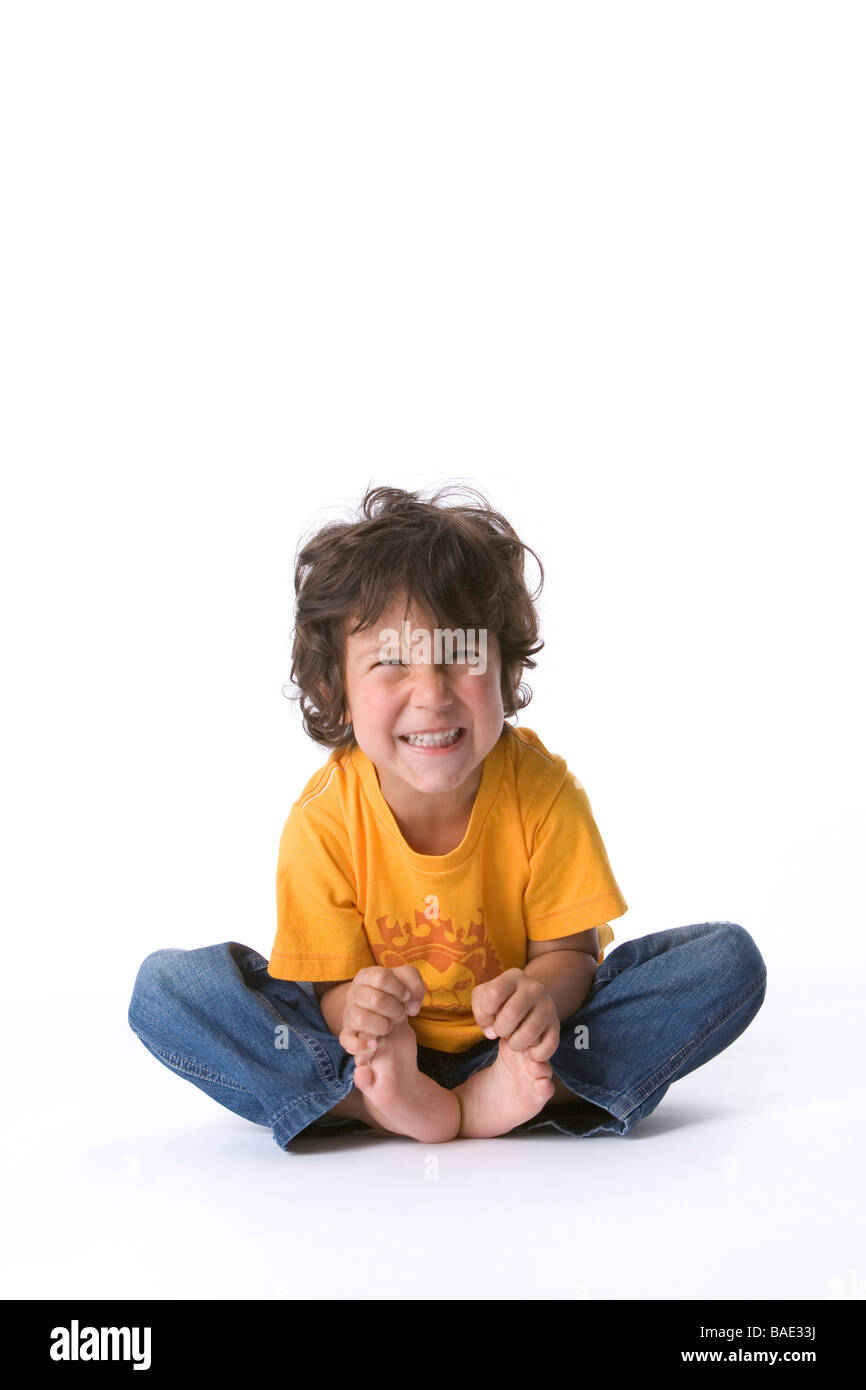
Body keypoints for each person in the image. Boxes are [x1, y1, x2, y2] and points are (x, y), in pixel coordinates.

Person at [128, 483, 767, 1150]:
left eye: (462, 657)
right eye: (390, 663)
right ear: (335, 691)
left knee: (726, 962)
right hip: (372, 1055)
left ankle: (518, 1088)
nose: (431, 694)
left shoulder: (543, 794)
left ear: (505, 670)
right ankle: (377, 1101)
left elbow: (570, 956)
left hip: (522, 1047)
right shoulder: (324, 821)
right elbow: (329, 994)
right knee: (167, 990)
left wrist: (540, 1002)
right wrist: (364, 1013)